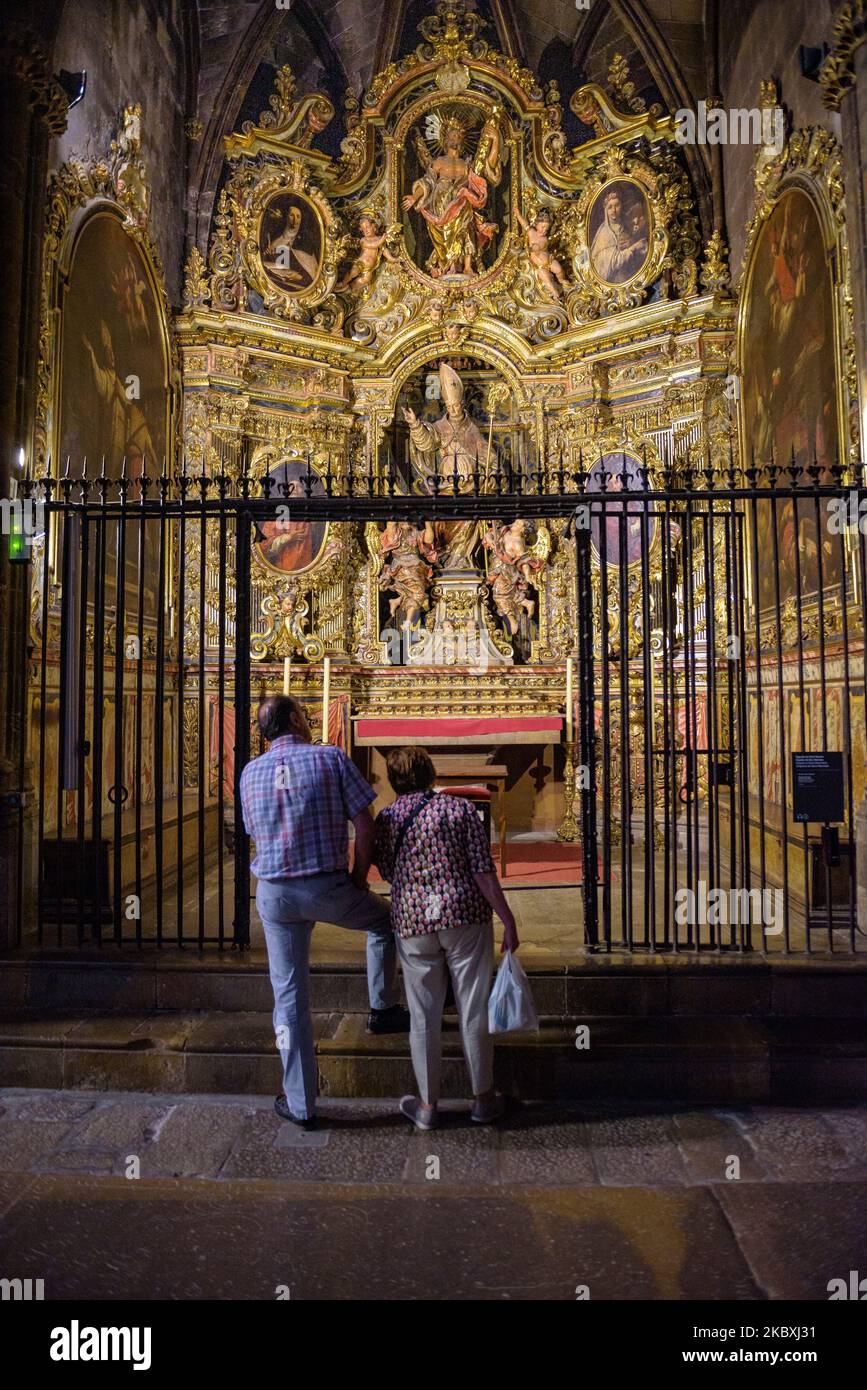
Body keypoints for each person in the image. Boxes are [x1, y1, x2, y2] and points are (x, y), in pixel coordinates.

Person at [240, 695, 409, 1129]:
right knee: (387, 921)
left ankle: (300, 1104)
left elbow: (252, 831)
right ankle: (382, 1007)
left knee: (288, 996)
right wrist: (358, 875)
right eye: (305, 715)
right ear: (296, 719)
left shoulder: (249, 772)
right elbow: (366, 822)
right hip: (327, 885)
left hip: (274, 894)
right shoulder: (330, 758)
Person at [372, 746, 519, 1131]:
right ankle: (483, 1099)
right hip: (464, 915)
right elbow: (483, 871)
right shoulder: (460, 810)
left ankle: (426, 1107)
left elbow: (387, 870)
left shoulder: (387, 817)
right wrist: (508, 918)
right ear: (431, 773)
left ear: (393, 780)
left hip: (414, 920)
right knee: (474, 1007)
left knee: (422, 1016)